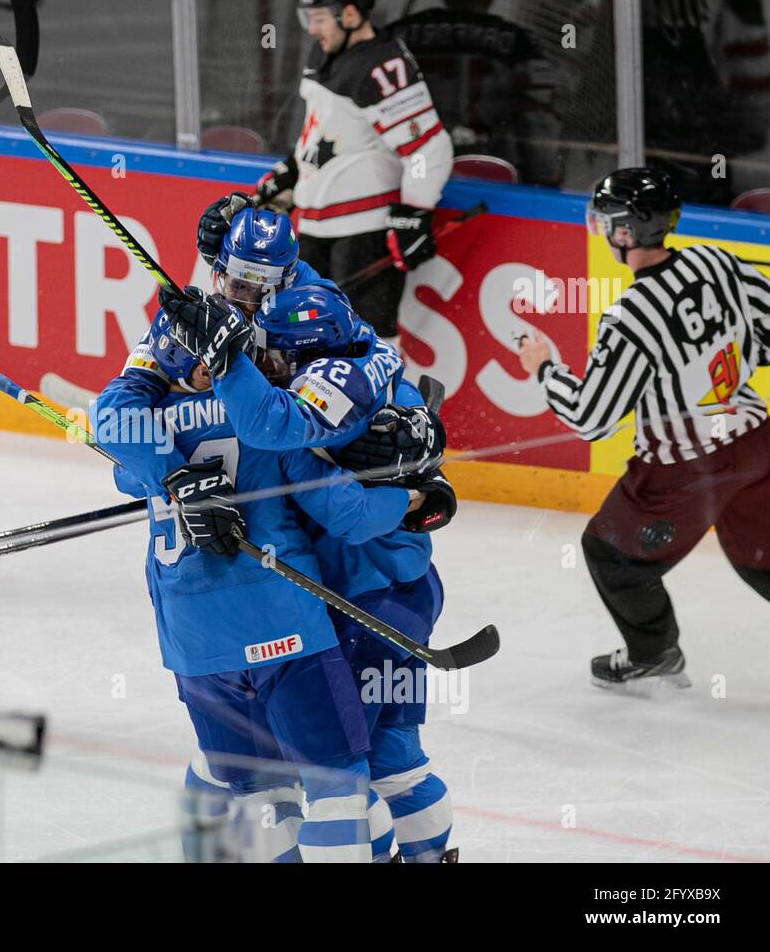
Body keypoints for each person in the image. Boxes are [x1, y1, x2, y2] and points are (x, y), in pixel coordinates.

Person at [100, 303, 422, 862]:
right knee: (336, 786)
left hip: (194, 646)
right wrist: (413, 495)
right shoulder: (269, 426)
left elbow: (120, 455)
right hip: (285, 629)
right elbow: (348, 514)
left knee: (261, 797)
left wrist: (174, 478)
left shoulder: (142, 438)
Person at [167, 279, 457, 862]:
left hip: (356, 608)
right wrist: (429, 497)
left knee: (326, 771)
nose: (268, 359)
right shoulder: (379, 376)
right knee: (392, 756)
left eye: (279, 351)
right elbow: (416, 459)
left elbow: (333, 496)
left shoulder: (297, 415)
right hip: (409, 595)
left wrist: (173, 469)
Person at [517, 167, 770, 690]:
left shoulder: (632, 317)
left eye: (607, 220)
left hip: (680, 470)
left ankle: (653, 655)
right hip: (755, 443)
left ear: (626, 232)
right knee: (760, 559)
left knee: (611, 553)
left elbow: (591, 418)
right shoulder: (715, 261)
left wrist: (544, 368)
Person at [250, 0, 452, 345]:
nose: (311, 29)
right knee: (305, 339)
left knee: (366, 344)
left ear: (351, 13)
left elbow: (428, 149)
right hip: (315, 229)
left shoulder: (383, 64)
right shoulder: (325, 54)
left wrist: (414, 213)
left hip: (363, 234)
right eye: (307, 18)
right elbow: (324, 129)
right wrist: (293, 172)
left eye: (319, 19)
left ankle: (386, 400)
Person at [383, 0, 562, 187]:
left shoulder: (393, 36)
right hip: (486, 173)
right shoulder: (520, 45)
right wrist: (546, 180)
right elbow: (539, 120)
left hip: (403, 170)